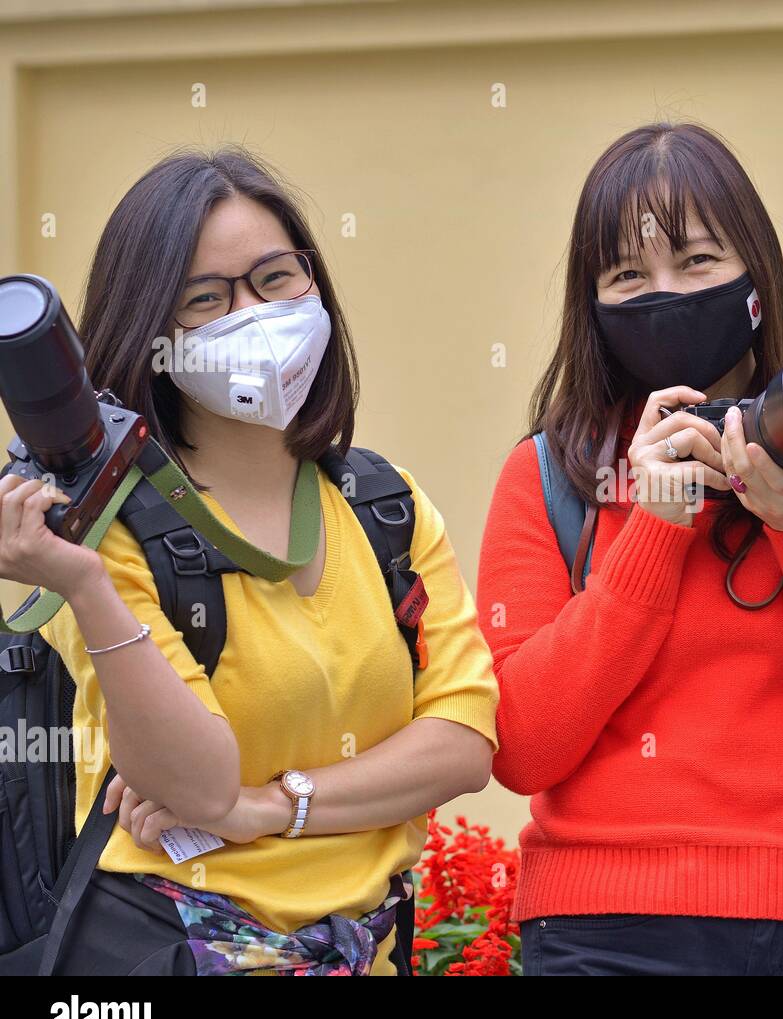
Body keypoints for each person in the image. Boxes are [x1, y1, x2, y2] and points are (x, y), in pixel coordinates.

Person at [0, 147, 498, 975]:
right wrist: (83, 582)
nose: (255, 314)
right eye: (206, 297)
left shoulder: (386, 505)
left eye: (275, 278)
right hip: (161, 954)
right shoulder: (109, 532)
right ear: (150, 331)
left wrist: (271, 806)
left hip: (367, 949)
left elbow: (464, 741)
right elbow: (196, 785)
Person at [477, 123, 783, 976]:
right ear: (592, 304)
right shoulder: (552, 472)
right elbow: (521, 744)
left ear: (756, 279)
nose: (665, 293)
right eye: (628, 274)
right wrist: (654, 528)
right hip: (597, 933)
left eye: (698, 262)